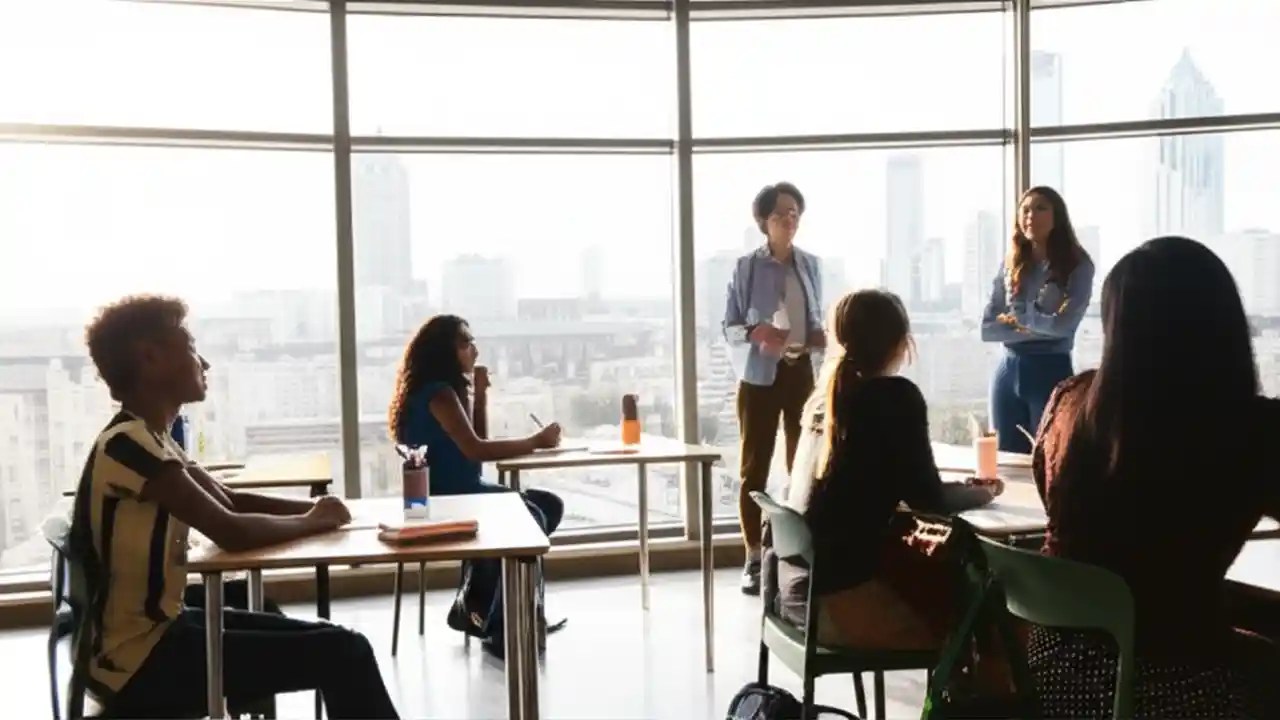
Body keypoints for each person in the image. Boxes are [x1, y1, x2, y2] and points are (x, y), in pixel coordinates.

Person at [68, 294, 398, 720]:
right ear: (149, 357)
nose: (203, 362)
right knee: (345, 651)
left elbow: (231, 500)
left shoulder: (154, 440)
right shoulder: (129, 445)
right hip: (139, 661)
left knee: (299, 625)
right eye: (189, 347)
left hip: (159, 634)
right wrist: (312, 521)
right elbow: (230, 530)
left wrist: (318, 508)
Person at [1031, 236, 1280, 718]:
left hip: (1046, 669)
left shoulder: (1069, 402)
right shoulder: (1249, 429)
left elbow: (1051, 497)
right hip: (1173, 684)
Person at [776, 290, 1002, 651]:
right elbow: (929, 500)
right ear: (900, 343)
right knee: (977, 612)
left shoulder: (823, 400)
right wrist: (982, 491)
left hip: (791, 594)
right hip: (840, 603)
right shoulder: (893, 398)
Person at [388, 314, 564, 659]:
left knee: (548, 506)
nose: (474, 350)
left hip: (465, 490)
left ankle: (481, 599)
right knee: (532, 518)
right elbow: (476, 450)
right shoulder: (438, 394)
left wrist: (479, 394)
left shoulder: (443, 391)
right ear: (444, 350)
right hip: (448, 500)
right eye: (465, 342)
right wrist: (536, 441)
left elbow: (475, 441)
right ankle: (503, 624)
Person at [723, 181, 825, 595]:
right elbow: (728, 327)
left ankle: (795, 553)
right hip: (759, 376)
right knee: (754, 470)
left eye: (795, 212)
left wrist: (821, 334)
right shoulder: (747, 268)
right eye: (781, 213)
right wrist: (756, 332)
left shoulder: (811, 264)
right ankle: (752, 556)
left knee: (805, 464)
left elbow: (816, 316)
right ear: (764, 221)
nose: (789, 219)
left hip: (802, 372)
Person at [981, 186, 1094, 453]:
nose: (1031, 215)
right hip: (1007, 370)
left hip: (1050, 368)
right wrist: (1041, 324)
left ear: (1058, 216)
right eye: (1026, 209)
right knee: (1006, 457)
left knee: (1051, 453)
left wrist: (1019, 320)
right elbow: (988, 328)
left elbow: (1066, 326)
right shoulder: (1012, 262)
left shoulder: (1078, 265)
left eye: (1041, 208)